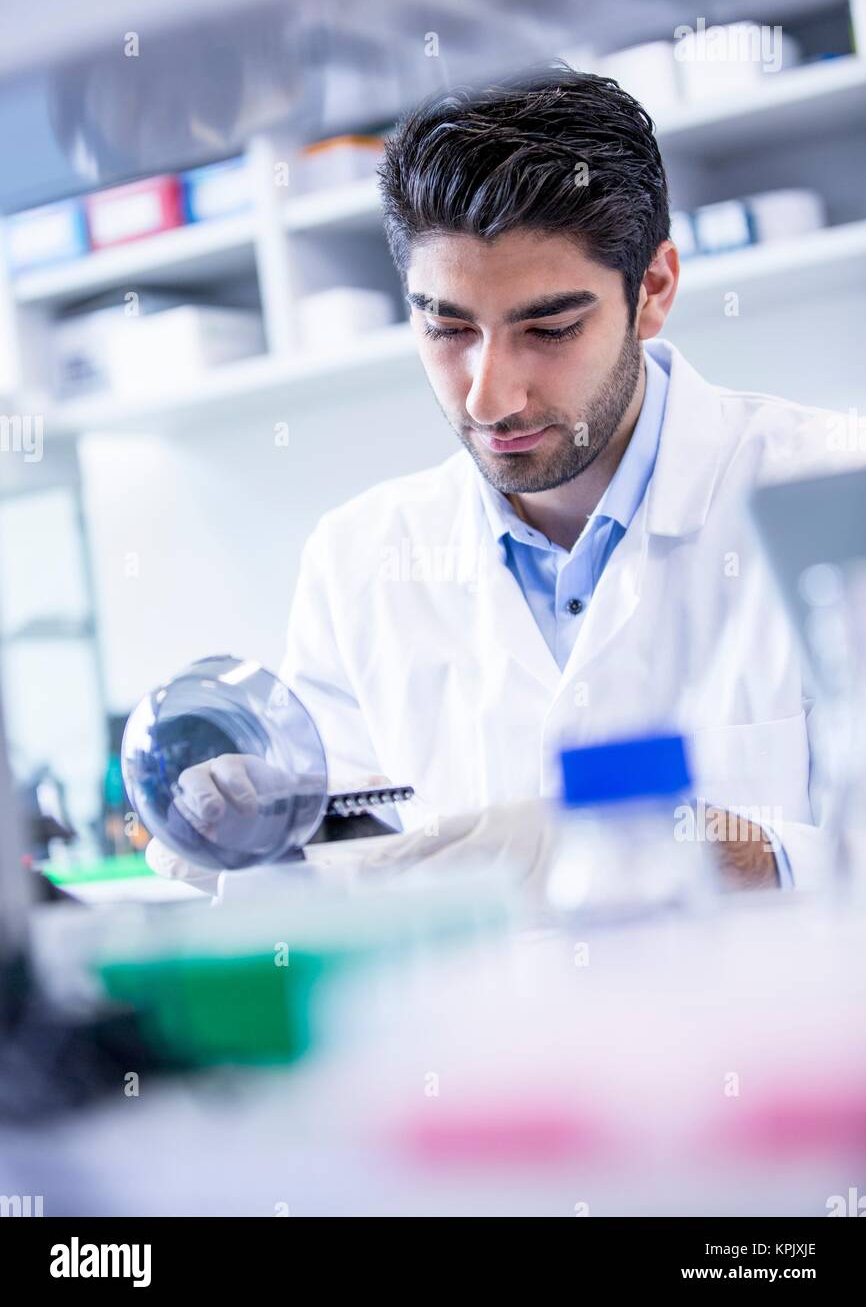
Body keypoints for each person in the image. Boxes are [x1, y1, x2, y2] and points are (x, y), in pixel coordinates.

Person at [148, 61, 857, 897]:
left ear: (654, 288)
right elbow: (339, 877)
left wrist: (730, 853)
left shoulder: (834, 489)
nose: (491, 396)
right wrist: (255, 840)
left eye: (549, 328)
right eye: (448, 329)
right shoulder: (359, 561)